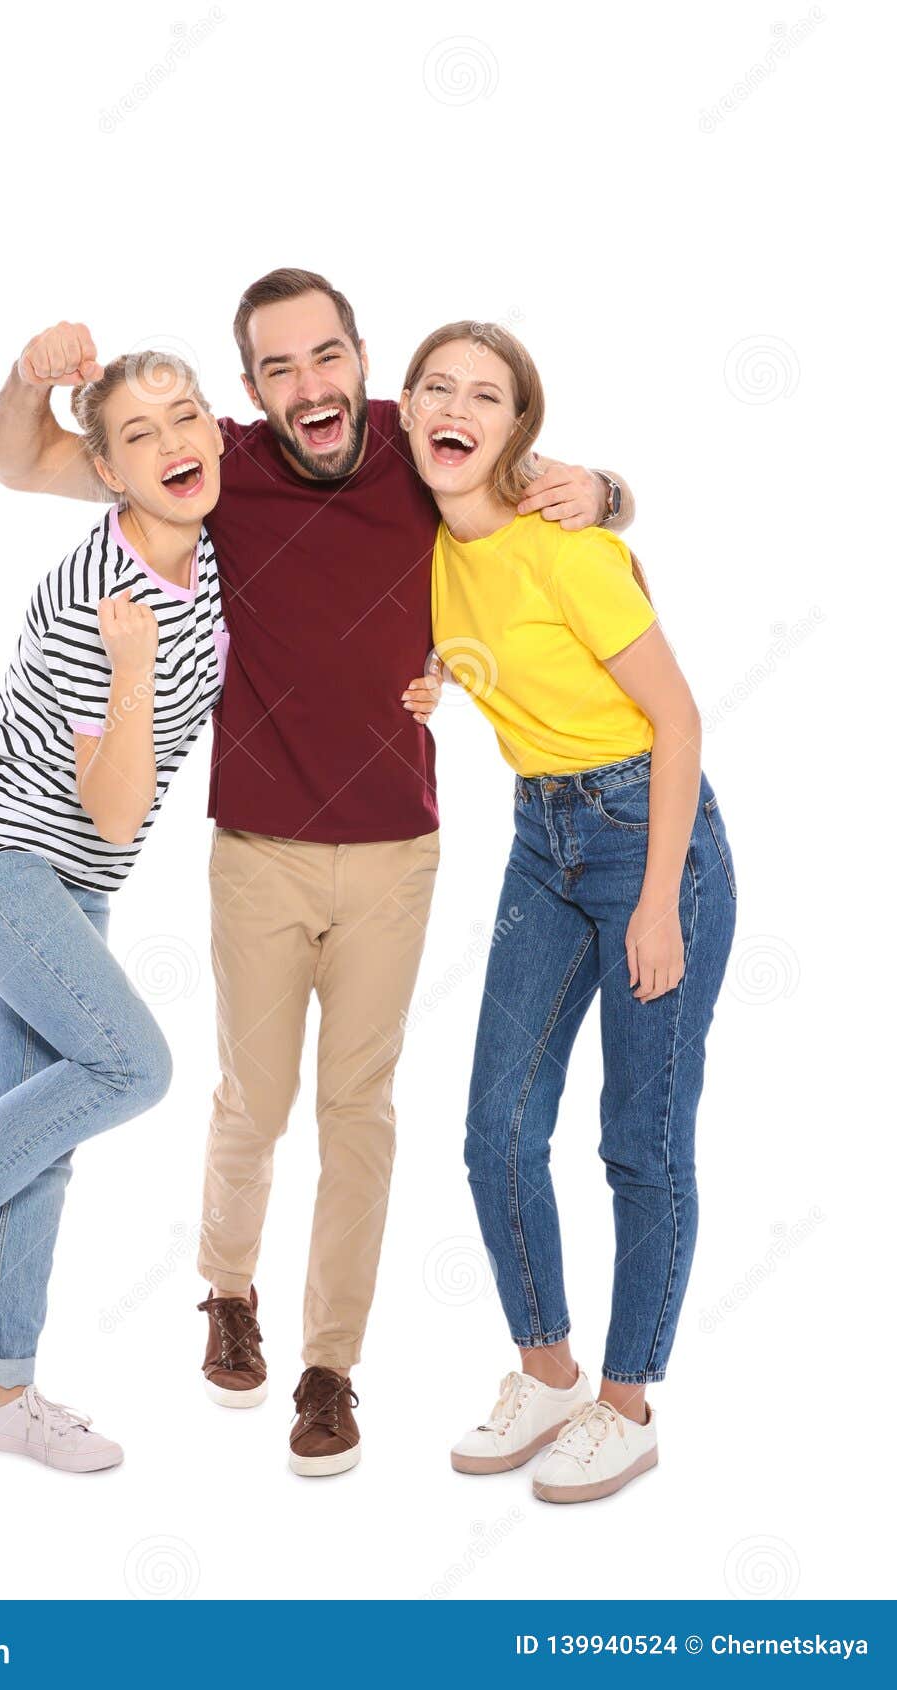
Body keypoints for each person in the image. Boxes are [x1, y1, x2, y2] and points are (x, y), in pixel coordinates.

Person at [0, 271, 630, 1477]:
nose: (308, 384)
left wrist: (609, 490)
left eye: (325, 356)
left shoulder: (417, 443)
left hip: (396, 851)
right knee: (254, 1098)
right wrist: (28, 379)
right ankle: (228, 1291)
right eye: (278, 368)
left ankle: (330, 1368)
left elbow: (547, 485)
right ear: (250, 387)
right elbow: (24, 465)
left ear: (362, 360)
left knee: (359, 1113)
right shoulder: (217, 466)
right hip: (258, 851)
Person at [0, 352, 227, 1473]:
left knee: (43, 1131)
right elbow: (114, 810)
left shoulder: (211, 532)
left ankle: (3, 1395)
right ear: (106, 472)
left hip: (71, 874)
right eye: (141, 434)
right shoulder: (95, 607)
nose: (174, 443)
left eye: (187, 416)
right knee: (132, 1067)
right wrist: (132, 668)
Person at [400, 321, 736, 1503]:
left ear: (518, 429)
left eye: (485, 395)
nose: (457, 408)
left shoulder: (567, 547)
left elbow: (679, 720)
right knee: (494, 1130)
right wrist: (432, 675)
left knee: (639, 1141)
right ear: (406, 409)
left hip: (652, 833)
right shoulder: (417, 536)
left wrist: (659, 901)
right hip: (539, 838)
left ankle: (626, 1406)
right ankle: (546, 1374)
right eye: (437, 387)